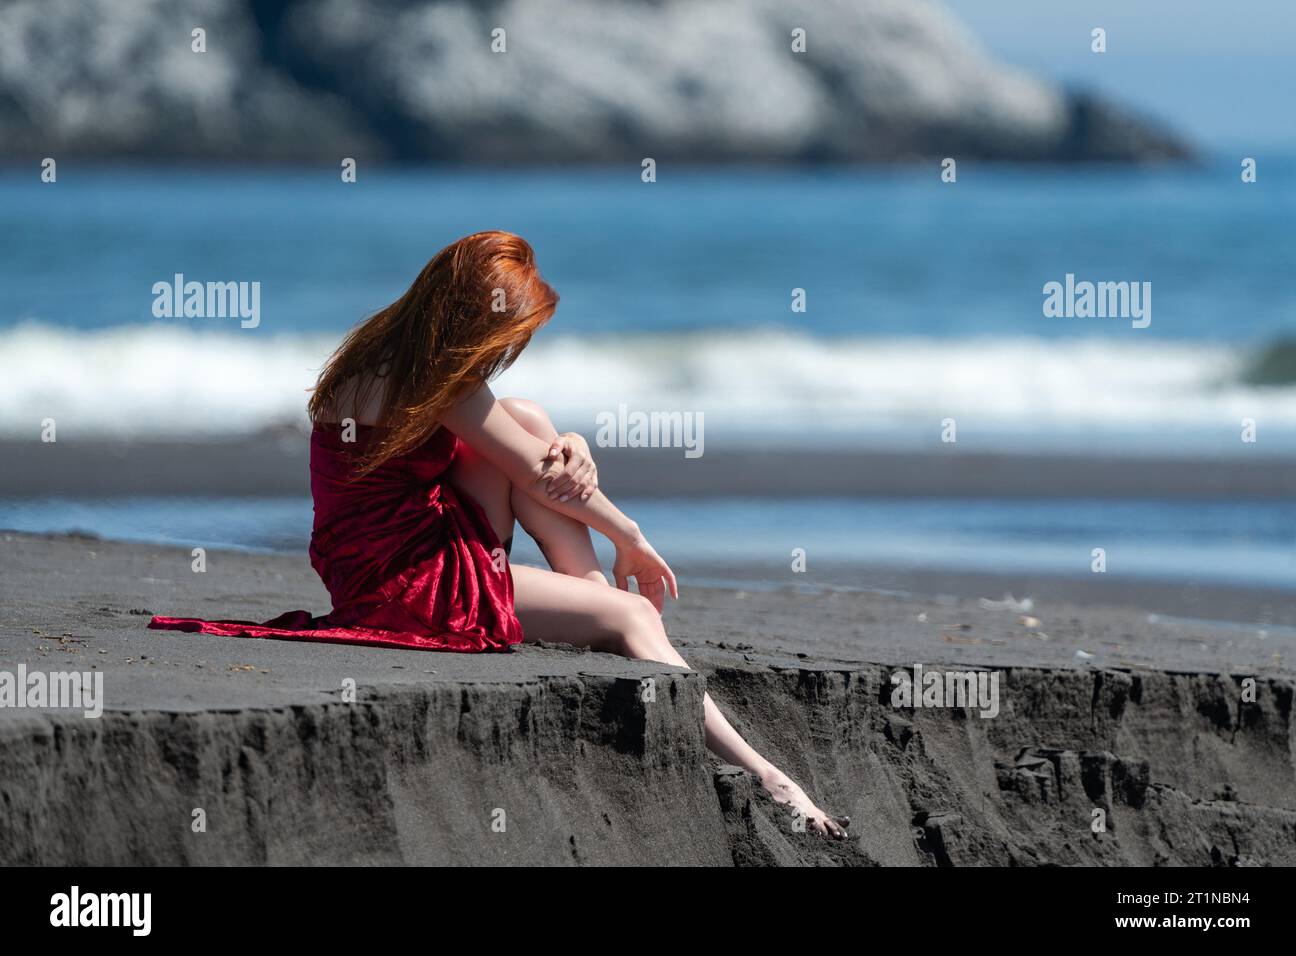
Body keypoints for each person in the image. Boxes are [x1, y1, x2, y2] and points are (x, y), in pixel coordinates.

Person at [152, 230, 847, 837]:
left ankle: (589, 600)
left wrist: (567, 443)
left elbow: (525, 453)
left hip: (396, 542)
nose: (509, 349)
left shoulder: (387, 346)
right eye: (509, 335)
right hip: (405, 580)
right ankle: (767, 776)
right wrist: (629, 534)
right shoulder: (438, 377)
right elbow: (538, 479)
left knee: (534, 418)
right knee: (634, 608)